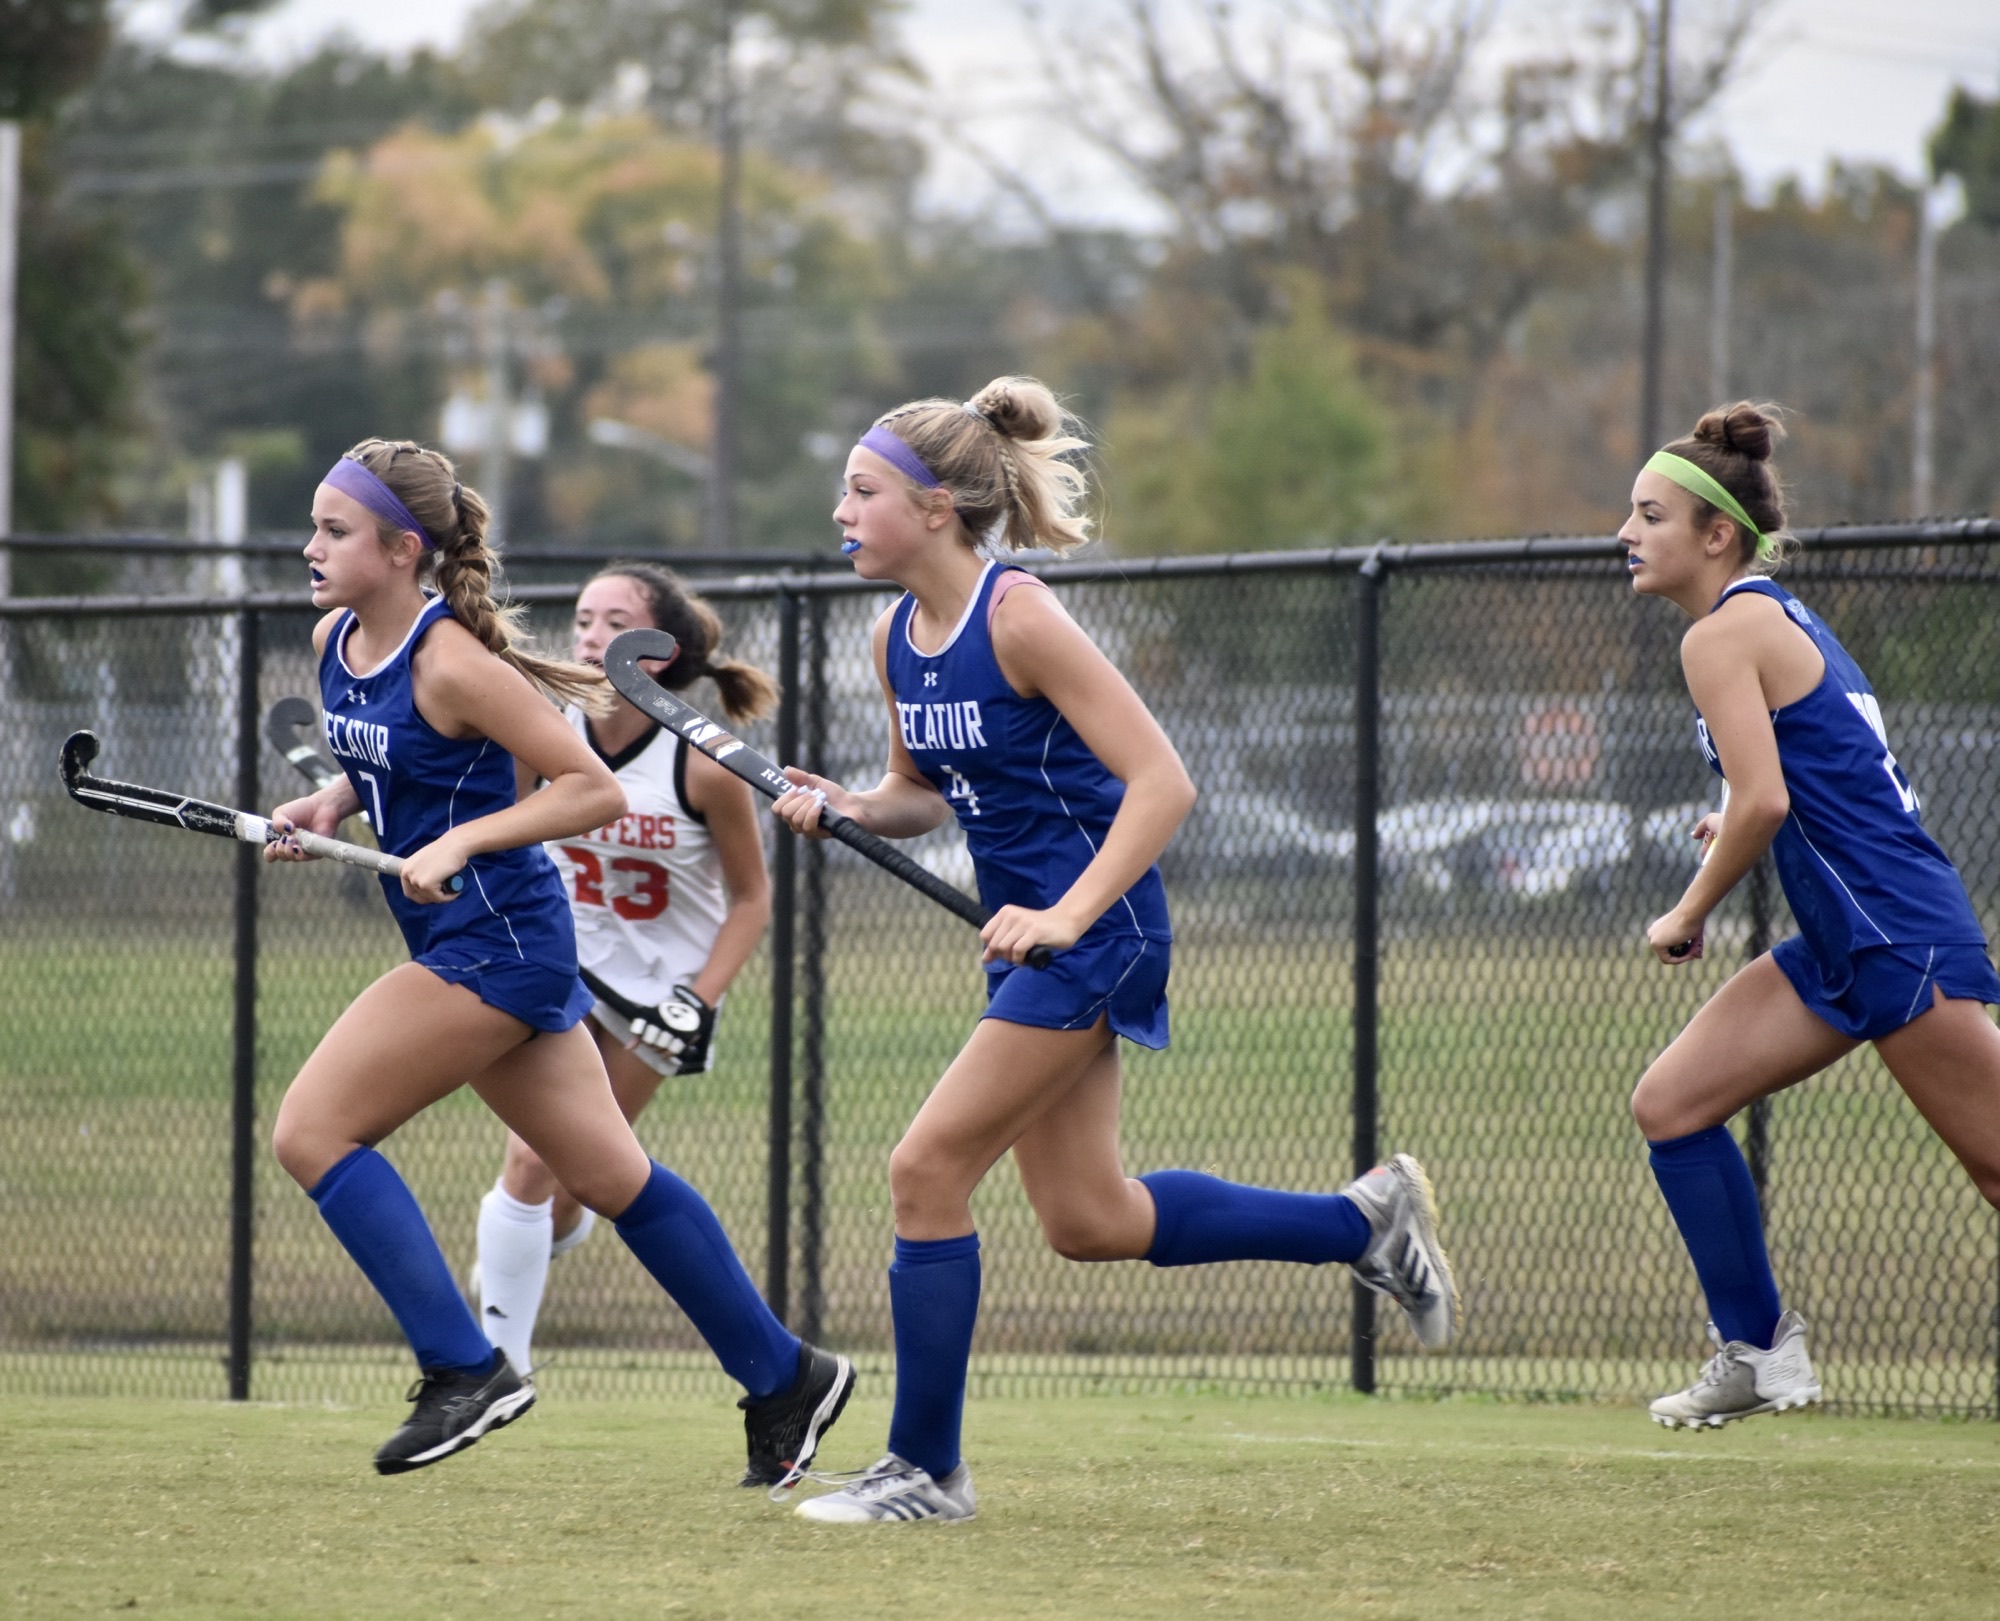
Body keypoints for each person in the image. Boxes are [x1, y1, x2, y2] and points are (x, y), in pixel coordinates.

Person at [769, 377, 1458, 1525]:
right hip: (1032, 946)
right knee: (1089, 1221)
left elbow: (1162, 783)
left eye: (861, 490)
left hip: (1100, 932)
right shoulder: (897, 635)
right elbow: (915, 796)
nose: (839, 510)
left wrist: (1066, 915)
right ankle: (1364, 1221)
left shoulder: (1018, 616)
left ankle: (924, 1472)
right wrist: (841, 803)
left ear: (935, 507)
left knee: (922, 1171)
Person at [268, 441, 852, 1482]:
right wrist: (325, 804)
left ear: (404, 551)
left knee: (312, 1131)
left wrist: (464, 840)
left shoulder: (453, 660)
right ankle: (785, 1377)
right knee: (609, 1176)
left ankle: (465, 1368)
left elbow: (591, 790)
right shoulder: (333, 639)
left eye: (333, 530)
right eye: (314, 527)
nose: (309, 546)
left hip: (497, 942)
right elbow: (390, 761)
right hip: (471, 939)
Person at [1622, 402, 2000, 1428]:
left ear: (1714, 535)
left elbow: (1769, 800)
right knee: (1670, 1105)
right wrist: (1730, 827)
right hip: (1849, 937)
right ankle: (1755, 1353)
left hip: (1888, 929)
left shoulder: (1720, 635)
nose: (1623, 533)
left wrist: (1684, 913)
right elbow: (1794, 784)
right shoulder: (1763, 616)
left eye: (1647, 515)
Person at [472, 564, 776, 1391]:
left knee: (577, 1182)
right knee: (532, 1161)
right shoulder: (548, 728)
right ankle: (496, 1362)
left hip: (660, 988)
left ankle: (531, 1249)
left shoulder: (702, 763)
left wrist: (699, 997)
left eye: (614, 621)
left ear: (657, 648)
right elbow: (506, 825)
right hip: (566, 964)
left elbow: (752, 898)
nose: (591, 635)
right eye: (582, 619)